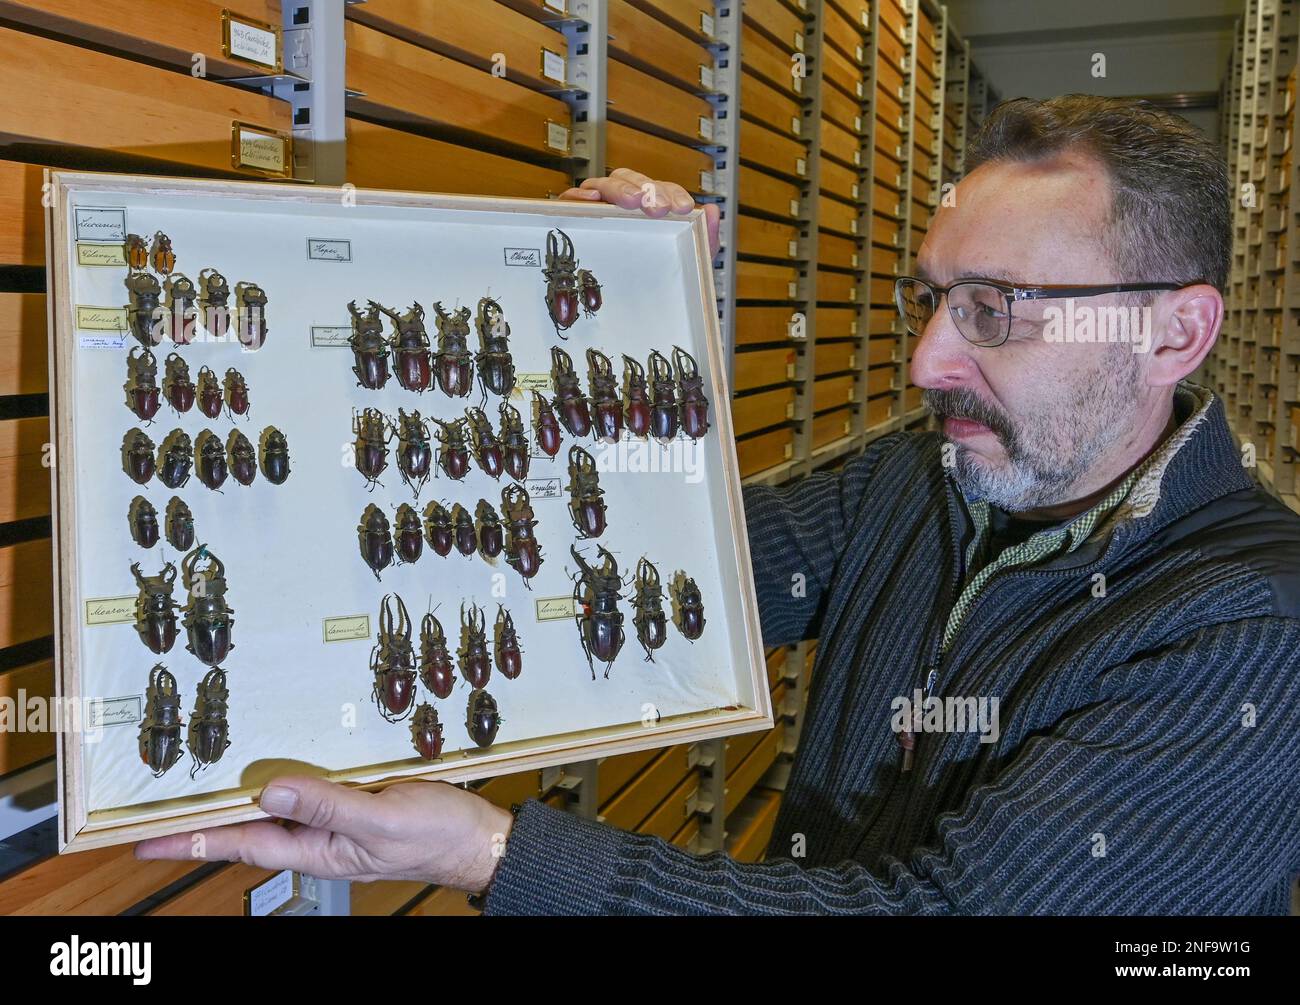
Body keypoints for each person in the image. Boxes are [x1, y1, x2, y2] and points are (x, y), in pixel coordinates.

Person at [136, 95, 1300, 914]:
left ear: (1171, 331)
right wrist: (612, 333)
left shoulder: (1253, 631)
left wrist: (497, 852)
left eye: (995, 308)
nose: (927, 359)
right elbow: (649, 582)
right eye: (932, 299)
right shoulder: (926, 475)